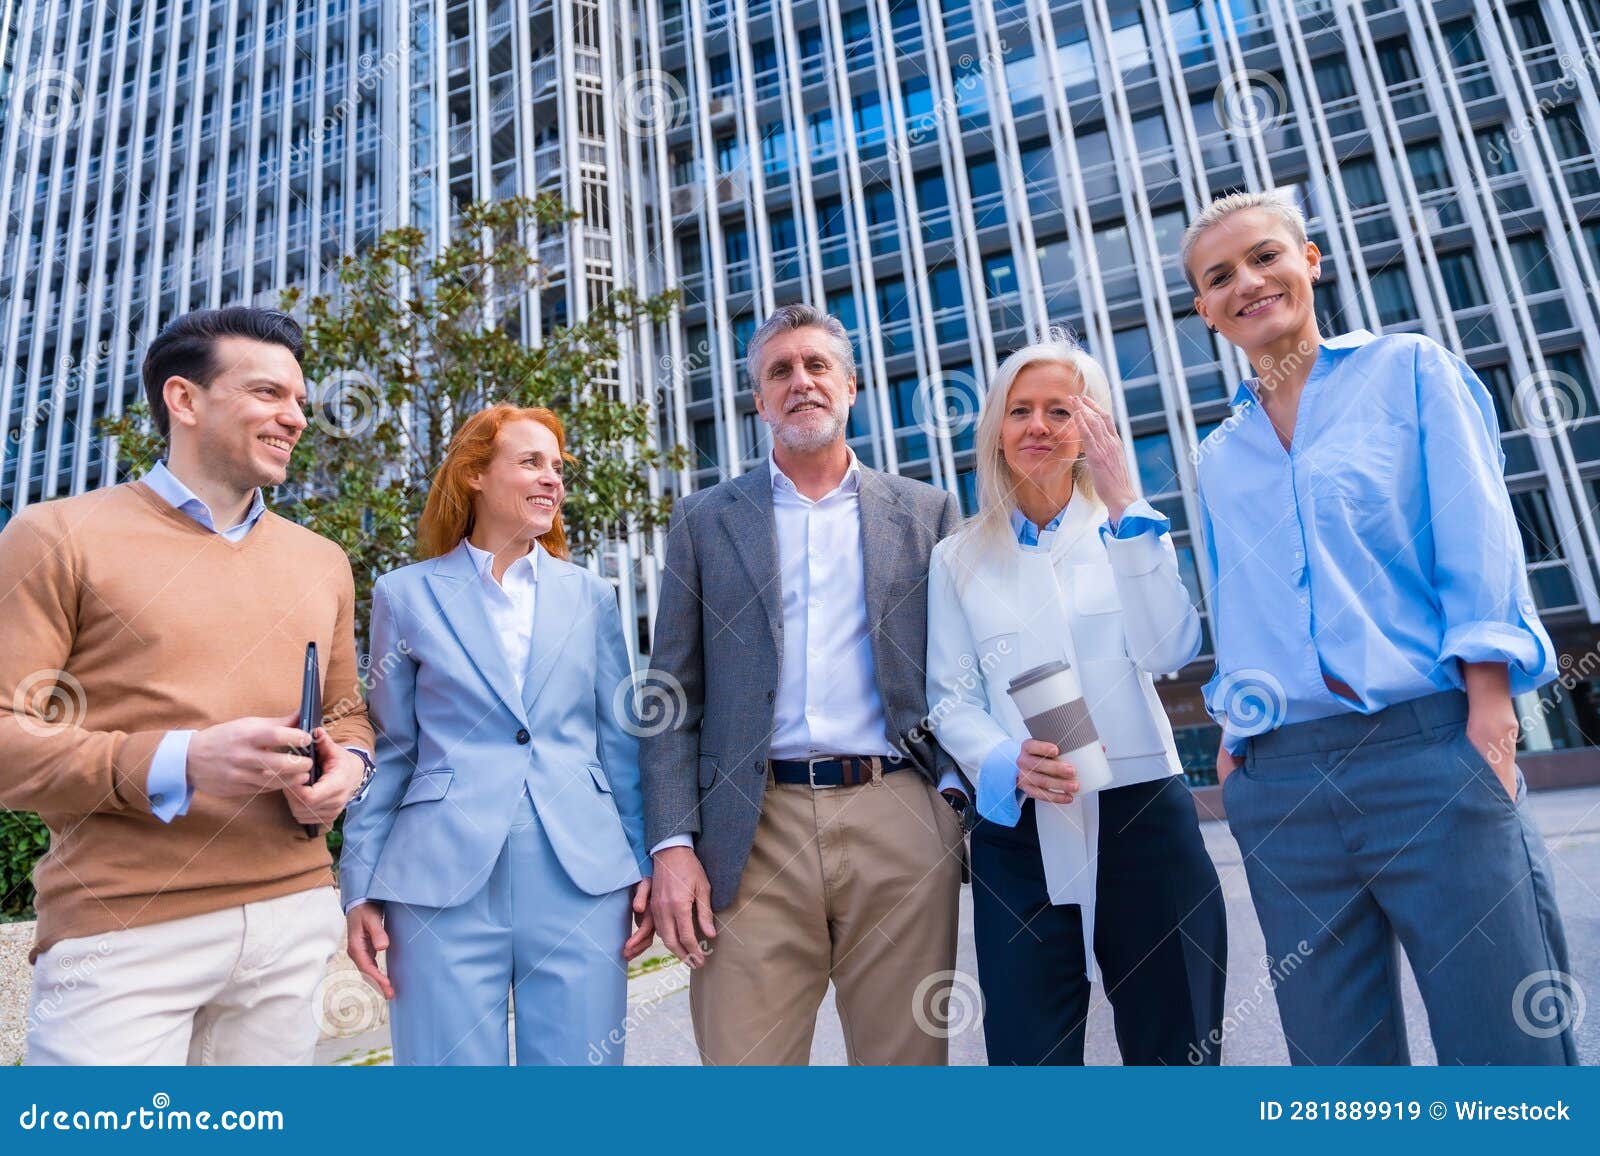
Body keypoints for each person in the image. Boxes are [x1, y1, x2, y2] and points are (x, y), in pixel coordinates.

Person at [1183, 188, 1576, 1065]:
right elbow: (1238, 606)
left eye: (1265, 257)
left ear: (1310, 261)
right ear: (1205, 311)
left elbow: (1476, 537)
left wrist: (1488, 708)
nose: (1248, 283)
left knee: (1506, 1047)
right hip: (1282, 782)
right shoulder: (1219, 454)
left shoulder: (1410, 372)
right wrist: (1235, 738)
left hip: (1431, 751)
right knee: (1337, 1069)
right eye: (1219, 278)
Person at [0, 307, 374, 1064]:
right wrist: (183, 759)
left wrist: (349, 772)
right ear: (185, 400)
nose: (295, 417)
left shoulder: (322, 560)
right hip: (122, 936)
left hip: (293, 919)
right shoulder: (54, 536)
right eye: (269, 393)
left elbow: (348, 712)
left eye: (299, 401)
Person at [641, 304, 967, 1065]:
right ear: (759, 401)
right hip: (749, 832)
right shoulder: (703, 521)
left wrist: (951, 801)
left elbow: (961, 672)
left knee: (905, 1073)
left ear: (850, 387)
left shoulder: (926, 513)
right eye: (779, 372)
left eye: (817, 366)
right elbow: (670, 695)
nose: (801, 382)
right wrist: (672, 845)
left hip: (900, 817)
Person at [925, 335, 1226, 1065]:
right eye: (1019, 410)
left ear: (1090, 425)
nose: (1037, 426)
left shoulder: (1128, 528)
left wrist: (1126, 505)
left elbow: (1168, 650)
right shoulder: (958, 556)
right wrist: (1003, 759)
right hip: (1021, 826)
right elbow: (950, 697)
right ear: (996, 427)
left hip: (1142, 814)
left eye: (1059, 410)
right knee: (1031, 1057)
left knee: (1175, 1047)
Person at [340, 404, 653, 1066]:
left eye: (558, 468)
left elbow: (620, 746)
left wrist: (644, 864)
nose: (552, 480)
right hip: (436, 881)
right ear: (476, 475)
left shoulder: (590, 596)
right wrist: (361, 884)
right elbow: (392, 751)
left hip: (581, 876)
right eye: (531, 462)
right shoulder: (405, 595)